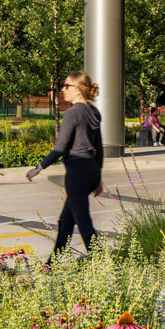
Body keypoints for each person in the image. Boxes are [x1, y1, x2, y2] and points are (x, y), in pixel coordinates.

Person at [26, 72, 103, 257]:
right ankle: (53, 264)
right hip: (91, 170)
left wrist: (39, 167)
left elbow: (60, 147)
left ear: (77, 90)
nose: (63, 90)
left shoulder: (73, 113)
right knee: (66, 220)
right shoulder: (94, 112)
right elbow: (99, 147)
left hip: (77, 173)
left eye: (67, 86)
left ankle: (104, 264)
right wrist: (98, 178)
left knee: (83, 222)